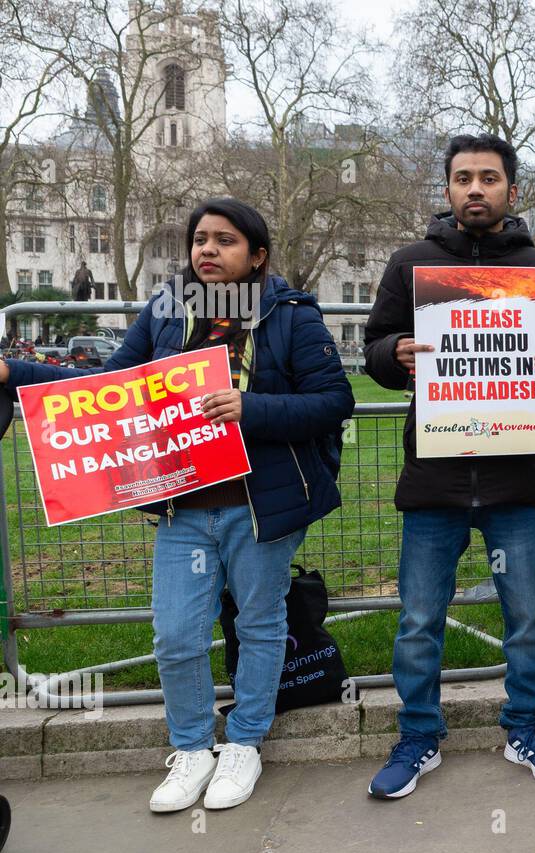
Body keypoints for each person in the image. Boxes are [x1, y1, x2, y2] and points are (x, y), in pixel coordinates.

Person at [0, 198, 354, 812]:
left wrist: (253, 408)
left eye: (225, 241)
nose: (208, 251)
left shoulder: (291, 315)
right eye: (199, 240)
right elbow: (100, 392)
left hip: (259, 507)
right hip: (182, 506)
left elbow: (333, 401)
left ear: (258, 255)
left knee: (260, 624)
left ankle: (244, 742)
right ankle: (191, 748)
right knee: (175, 634)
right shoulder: (165, 311)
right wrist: (13, 373)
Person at [364, 133, 535, 798]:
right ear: (447, 189)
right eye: (463, 178)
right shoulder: (411, 263)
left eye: (488, 178)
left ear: (510, 190)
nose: (475, 190)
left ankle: (527, 727)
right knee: (419, 620)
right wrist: (395, 352)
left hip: (516, 476)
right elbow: (374, 347)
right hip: (434, 474)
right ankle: (418, 735)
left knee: (527, 615)